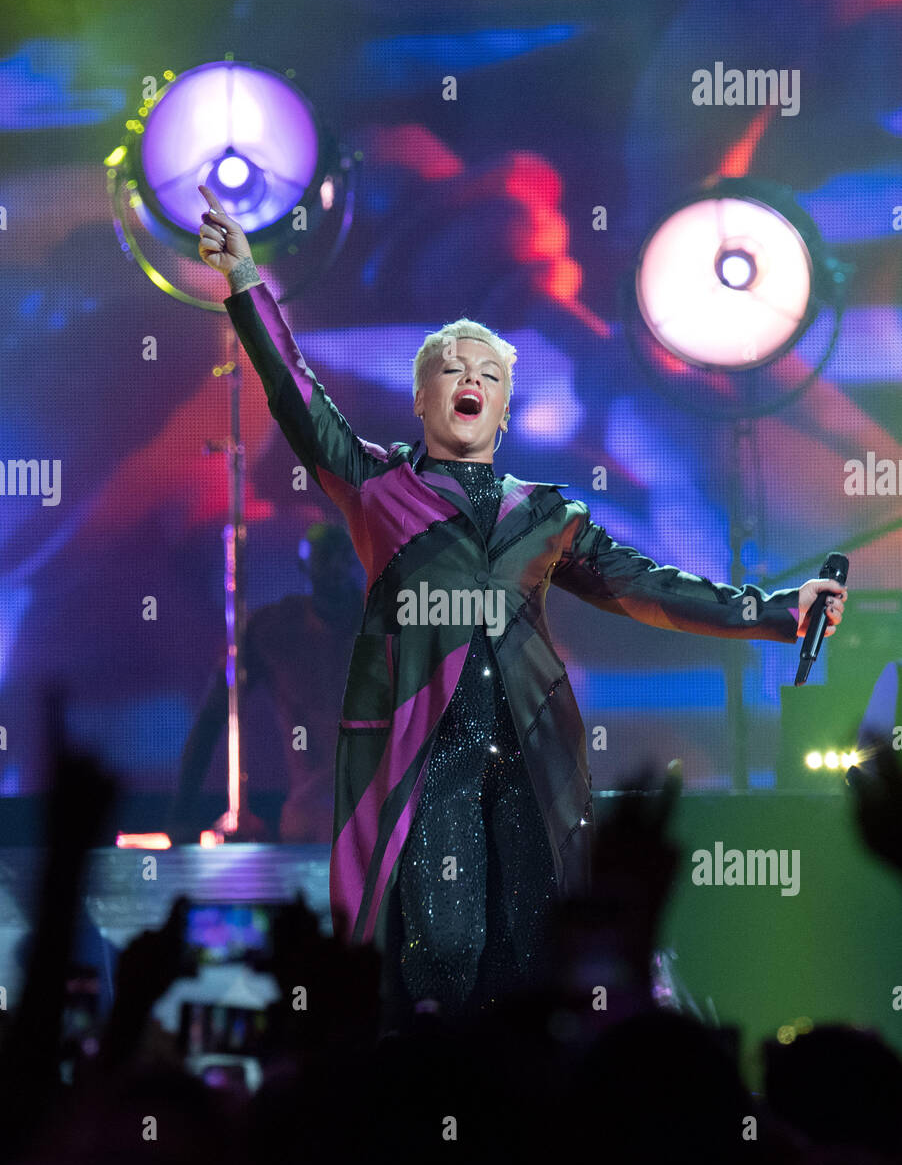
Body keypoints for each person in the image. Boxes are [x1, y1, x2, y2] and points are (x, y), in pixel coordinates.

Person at [196, 184, 848, 1031]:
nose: (470, 379)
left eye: (488, 373)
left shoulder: (546, 512)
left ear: (502, 410)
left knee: (533, 956)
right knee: (441, 954)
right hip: (427, 766)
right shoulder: (377, 485)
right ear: (425, 402)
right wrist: (248, 283)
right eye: (451, 371)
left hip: (532, 761)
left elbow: (647, 587)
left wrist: (775, 610)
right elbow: (295, 395)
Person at [165, 524, 362, 843]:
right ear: (305, 566)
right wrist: (180, 813)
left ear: (354, 561)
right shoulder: (275, 630)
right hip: (309, 818)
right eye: (326, 556)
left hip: (377, 814)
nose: (336, 566)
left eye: (343, 556)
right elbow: (212, 718)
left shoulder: (386, 624)